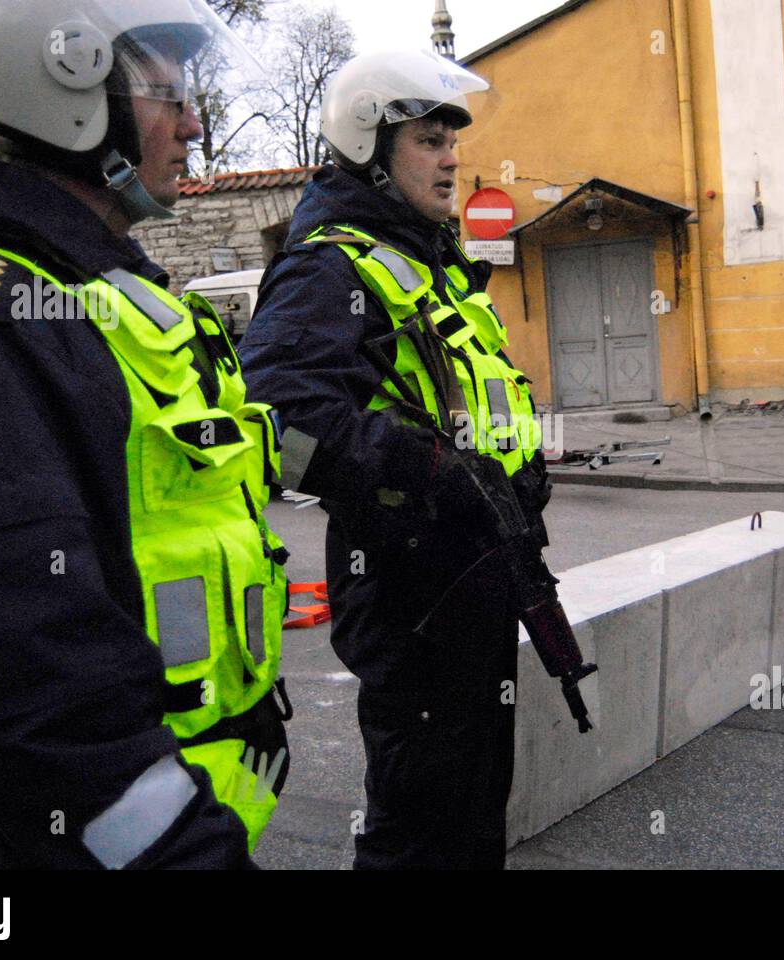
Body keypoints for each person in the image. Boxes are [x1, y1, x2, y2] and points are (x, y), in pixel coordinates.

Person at [0, 0, 291, 869]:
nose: (195, 122)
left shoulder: (96, 291)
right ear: (67, 90)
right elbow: (34, 668)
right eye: (168, 93)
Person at [239, 50, 552, 869]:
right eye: (427, 138)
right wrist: (426, 473)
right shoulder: (330, 263)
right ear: (370, 145)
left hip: (475, 580)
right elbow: (279, 423)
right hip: (410, 593)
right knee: (415, 836)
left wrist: (519, 473)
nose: (451, 155)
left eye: (453, 137)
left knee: (472, 819)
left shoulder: (428, 263)